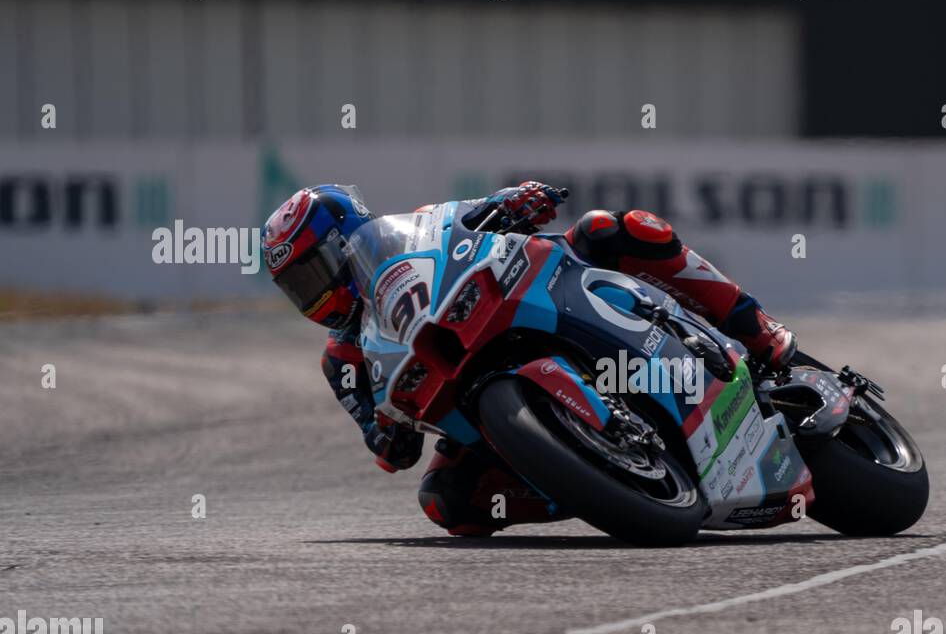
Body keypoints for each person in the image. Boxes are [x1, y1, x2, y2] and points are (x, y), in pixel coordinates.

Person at [259, 181, 797, 535]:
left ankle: (757, 330)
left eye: (317, 270)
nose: (318, 294)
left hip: (526, 300)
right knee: (448, 503)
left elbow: (481, 211)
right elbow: (383, 445)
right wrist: (388, 434)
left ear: (348, 237)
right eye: (299, 287)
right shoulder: (341, 362)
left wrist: (519, 200)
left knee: (613, 228)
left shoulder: (422, 226)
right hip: (467, 398)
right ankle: (591, 481)